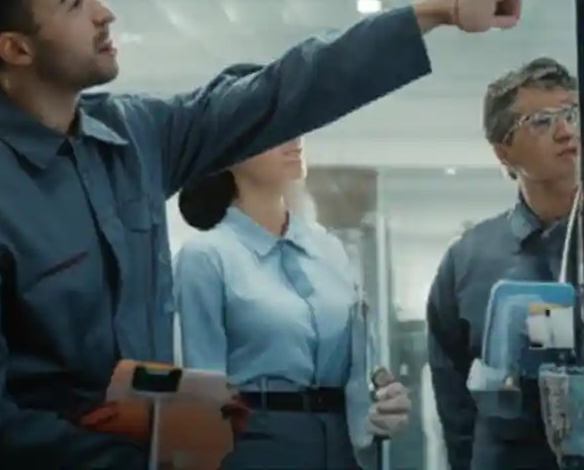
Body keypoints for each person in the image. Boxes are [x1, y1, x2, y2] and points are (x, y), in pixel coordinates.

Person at [0, 0, 559, 469]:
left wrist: (434, 12)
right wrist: (165, 442)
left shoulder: (132, 136)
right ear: (15, 47)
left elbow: (280, 90)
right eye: (73, 4)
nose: (104, 14)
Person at [176, 129, 412, 470]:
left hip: (341, 446)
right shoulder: (207, 255)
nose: (294, 138)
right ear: (228, 151)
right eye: (273, 131)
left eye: (296, 126)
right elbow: (200, 395)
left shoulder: (329, 251)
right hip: (255, 444)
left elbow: (361, 371)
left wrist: (384, 406)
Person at [426, 57, 581, 470]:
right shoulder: (468, 262)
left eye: (572, 113)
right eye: (542, 122)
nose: (567, 131)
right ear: (503, 151)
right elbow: (455, 407)